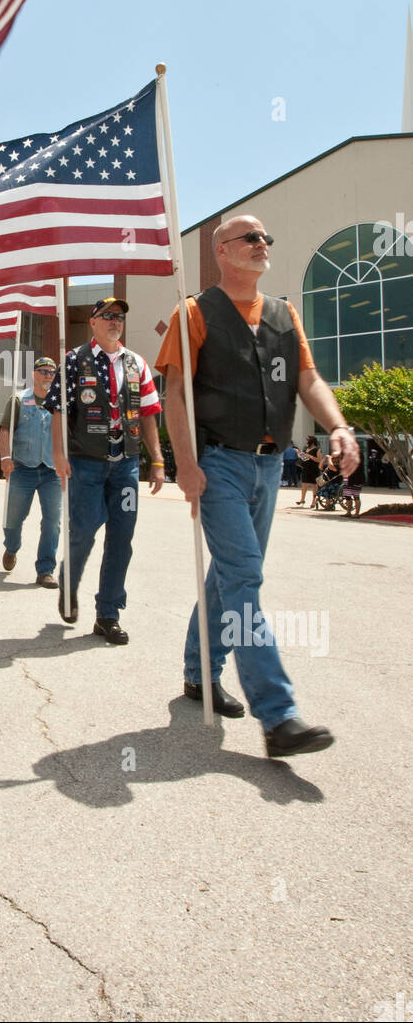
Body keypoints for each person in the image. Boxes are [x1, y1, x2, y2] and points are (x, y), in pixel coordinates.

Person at [156, 214, 359, 757]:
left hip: (270, 464)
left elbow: (307, 379)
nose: (261, 244)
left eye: (266, 237)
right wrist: (185, 465)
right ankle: (279, 715)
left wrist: (337, 426)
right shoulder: (193, 312)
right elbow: (176, 393)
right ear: (222, 251)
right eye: (250, 238)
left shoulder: (284, 314)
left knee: (228, 573)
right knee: (246, 576)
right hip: (218, 462)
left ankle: (200, 672)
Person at [47, 298, 164, 644]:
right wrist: (58, 453)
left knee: (122, 538)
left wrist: (156, 460)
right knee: (83, 530)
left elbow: (148, 413)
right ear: (93, 323)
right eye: (108, 316)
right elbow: (58, 411)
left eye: (120, 317)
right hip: (86, 461)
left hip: (125, 464)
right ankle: (68, 581)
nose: (115, 321)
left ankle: (107, 614)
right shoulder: (74, 360)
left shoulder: (136, 363)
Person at [0, 357, 61, 588]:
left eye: (51, 372)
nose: (47, 375)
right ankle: (11, 547)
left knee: (53, 522)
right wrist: (5, 458)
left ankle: (45, 569)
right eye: (43, 371)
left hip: (51, 472)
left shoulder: (61, 402)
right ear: (34, 374)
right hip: (22, 468)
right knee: (14, 518)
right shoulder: (18, 399)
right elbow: (5, 430)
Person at [296, 435, 321, 507]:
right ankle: (302, 499)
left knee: (314, 486)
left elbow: (319, 460)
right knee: (304, 485)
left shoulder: (317, 449)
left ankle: (313, 501)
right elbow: (303, 457)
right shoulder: (305, 448)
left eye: (308, 439)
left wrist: (310, 456)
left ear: (312, 441)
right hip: (306, 469)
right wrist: (299, 453)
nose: (306, 441)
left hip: (314, 469)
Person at [342, 445, 364, 517]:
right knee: (350, 496)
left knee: (354, 496)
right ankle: (350, 512)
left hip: (354, 478)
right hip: (352, 478)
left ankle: (355, 513)